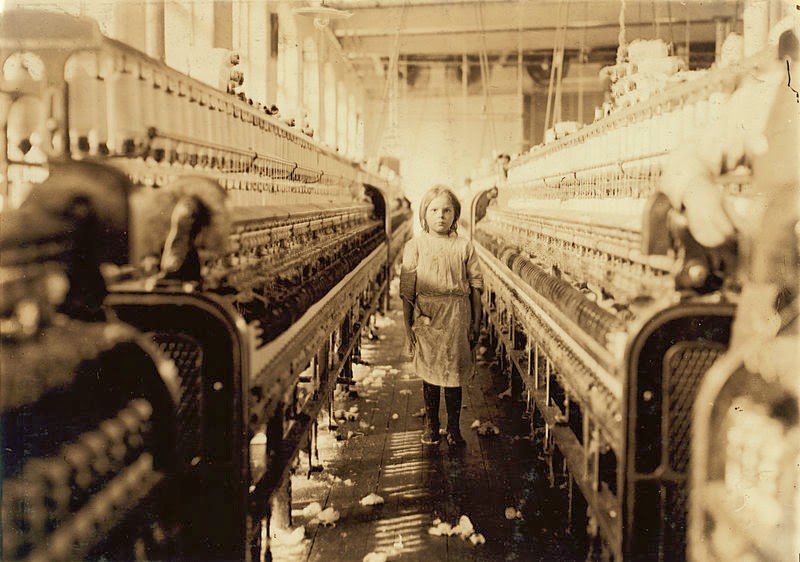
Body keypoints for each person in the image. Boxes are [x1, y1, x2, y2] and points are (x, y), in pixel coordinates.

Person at [399, 186, 483, 446]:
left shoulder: (464, 246)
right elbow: (407, 292)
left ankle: (454, 428)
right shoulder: (415, 246)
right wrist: (407, 327)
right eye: (434, 210)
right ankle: (432, 425)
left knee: (454, 374)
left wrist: (477, 323)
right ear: (424, 214)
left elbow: (476, 287)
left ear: (455, 214)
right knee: (431, 373)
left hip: (457, 314)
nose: (441, 216)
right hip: (427, 315)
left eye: (447, 210)